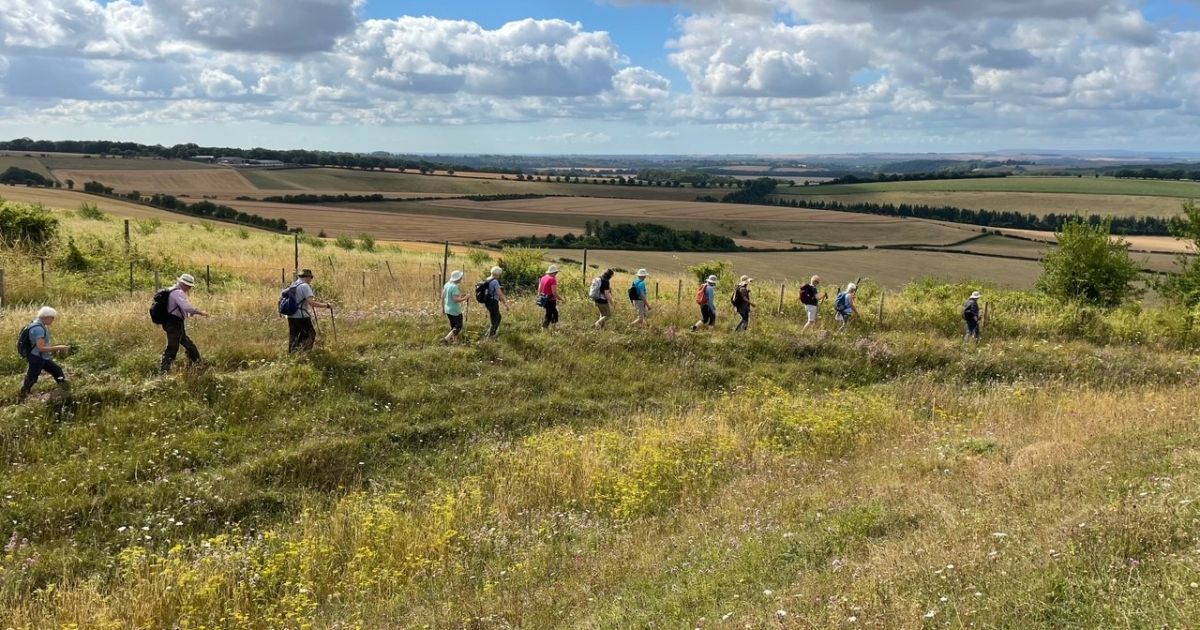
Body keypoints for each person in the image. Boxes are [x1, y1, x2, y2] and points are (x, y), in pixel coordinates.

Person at [18, 306, 70, 402]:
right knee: (31, 378)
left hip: (41, 357)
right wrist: (59, 347)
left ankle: (65, 390)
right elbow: (41, 348)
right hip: (37, 357)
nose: (53, 320)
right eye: (52, 318)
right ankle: (22, 397)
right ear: (46, 317)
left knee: (57, 370)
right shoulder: (38, 329)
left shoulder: (36, 323)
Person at [160, 273, 209, 374]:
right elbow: (186, 307)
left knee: (186, 342)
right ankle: (163, 371)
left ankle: (196, 363)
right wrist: (200, 312)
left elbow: (175, 307)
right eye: (189, 286)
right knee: (173, 347)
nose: (190, 288)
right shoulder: (178, 293)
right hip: (174, 323)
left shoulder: (171, 290)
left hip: (170, 322)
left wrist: (188, 313)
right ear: (185, 284)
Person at [285, 269, 332, 353]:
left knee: (295, 336)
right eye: (311, 277)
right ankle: (305, 355)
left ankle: (293, 355)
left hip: (291, 315)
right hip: (301, 316)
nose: (311, 279)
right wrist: (327, 305)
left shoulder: (293, 284)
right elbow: (311, 303)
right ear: (307, 277)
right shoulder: (305, 286)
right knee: (310, 334)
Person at [442, 270, 469, 344]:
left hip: (447, 308)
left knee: (453, 326)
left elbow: (443, 296)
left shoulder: (447, 284)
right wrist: (465, 298)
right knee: (458, 326)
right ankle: (446, 339)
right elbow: (455, 300)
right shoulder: (454, 287)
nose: (461, 279)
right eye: (461, 277)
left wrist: (443, 308)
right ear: (458, 278)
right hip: (455, 310)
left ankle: (455, 341)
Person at [483, 266, 508, 338]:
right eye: (499, 274)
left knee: (493, 317)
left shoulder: (487, 279)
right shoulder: (495, 281)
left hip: (487, 301)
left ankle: (489, 333)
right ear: (498, 274)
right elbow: (500, 294)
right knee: (497, 318)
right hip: (493, 302)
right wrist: (505, 304)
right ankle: (491, 335)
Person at [537, 265, 563, 330]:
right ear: (553, 272)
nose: (556, 274)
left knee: (555, 313)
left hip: (544, 299)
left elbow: (539, 289)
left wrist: (539, 296)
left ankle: (554, 327)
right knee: (549, 315)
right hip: (551, 300)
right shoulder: (552, 279)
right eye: (556, 272)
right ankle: (544, 328)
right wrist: (561, 299)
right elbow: (554, 292)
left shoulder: (543, 278)